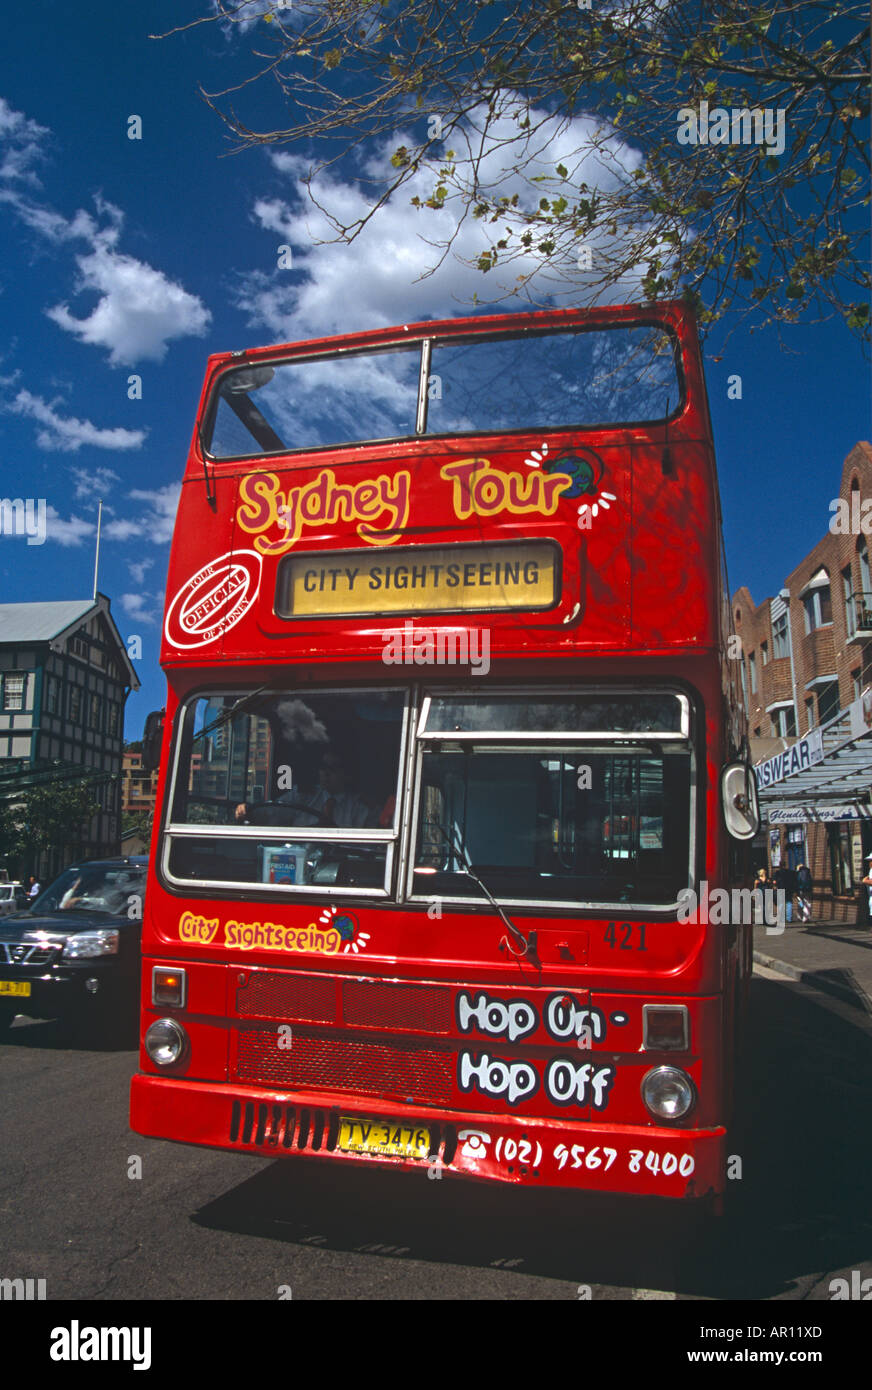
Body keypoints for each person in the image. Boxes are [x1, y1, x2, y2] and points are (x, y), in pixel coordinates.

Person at [235, 751, 377, 829]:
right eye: (323, 767)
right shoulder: (302, 795)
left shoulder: (360, 807)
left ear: (347, 774)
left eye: (333, 768)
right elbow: (272, 812)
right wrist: (249, 811)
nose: (326, 773)